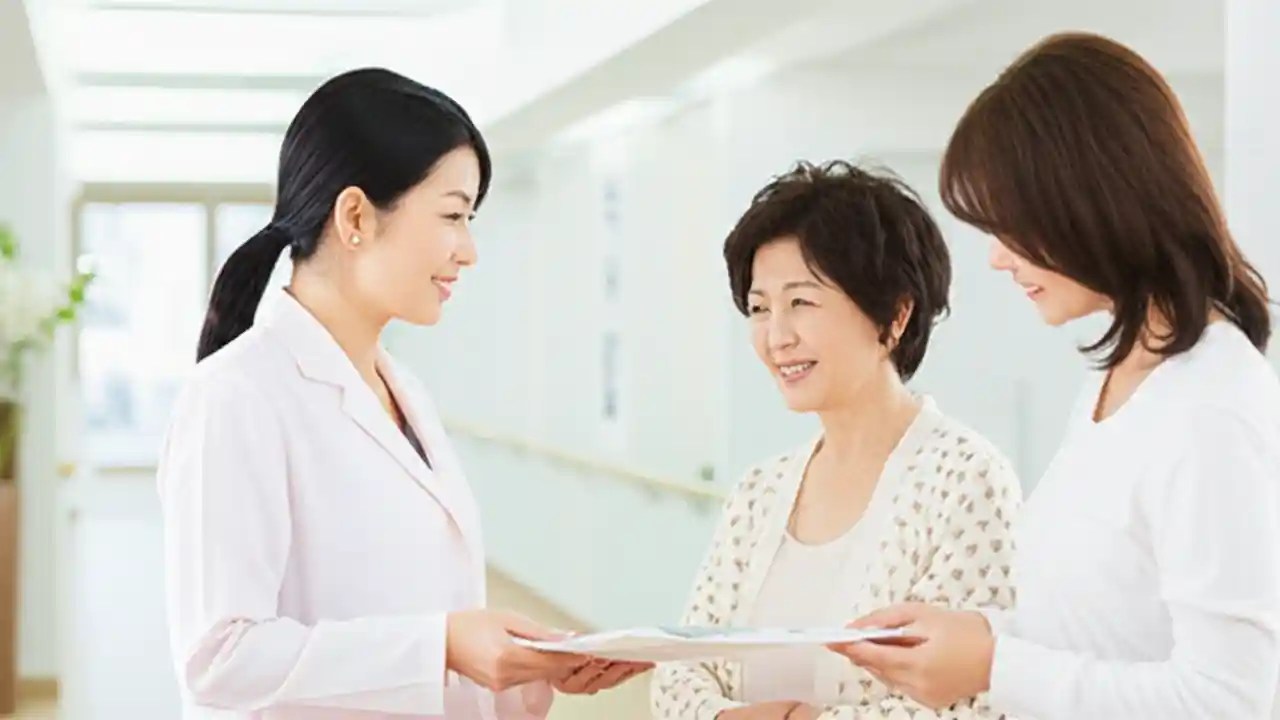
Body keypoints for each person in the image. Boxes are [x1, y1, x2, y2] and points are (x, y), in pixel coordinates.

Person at [156, 68, 648, 719]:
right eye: (451, 215)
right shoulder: (237, 395)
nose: (468, 251)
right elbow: (219, 658)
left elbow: (425, 626)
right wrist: (440, 645)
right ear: (355, 215)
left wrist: (523, 665)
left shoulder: (405, 392)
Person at [833, 32, 1280, 720]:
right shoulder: (1120, 382)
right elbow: (1102, 636)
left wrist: (993, 664)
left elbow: (1230, 701)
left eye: (1008, 227)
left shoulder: (1208, 406)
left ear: (1085, 200)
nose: (996, 259)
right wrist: (979, 638)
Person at [650, 160, 1022, 720]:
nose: (777, 336)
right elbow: (680, 665)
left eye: (802, 302)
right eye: (759, 308)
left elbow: (975, 706)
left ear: (894, 315)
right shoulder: (761, 490)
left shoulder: (964, 479)